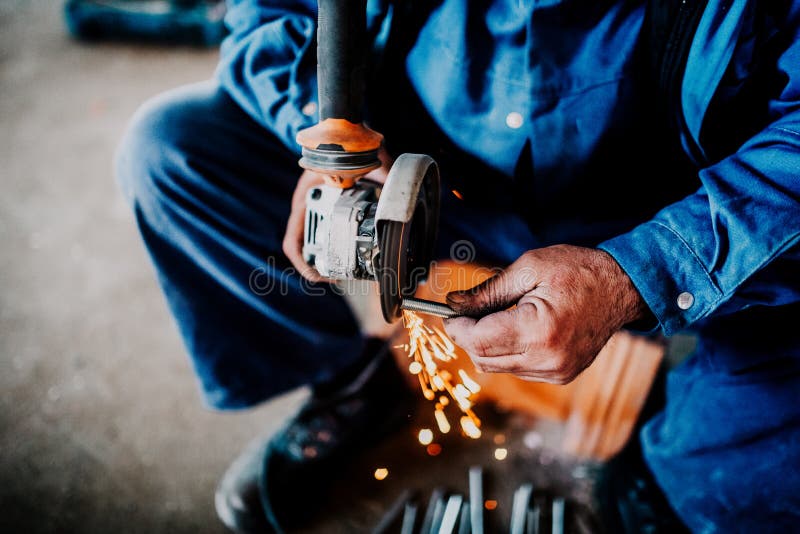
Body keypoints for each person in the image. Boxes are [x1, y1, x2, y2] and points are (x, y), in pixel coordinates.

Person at [115, 0, 800, 531]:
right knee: (173, 149)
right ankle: (354, 386)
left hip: (684, 219)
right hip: (420, 186)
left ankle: (662, 477)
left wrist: (638, 272)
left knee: (733, 479)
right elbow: (268, 13)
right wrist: (330, 134)